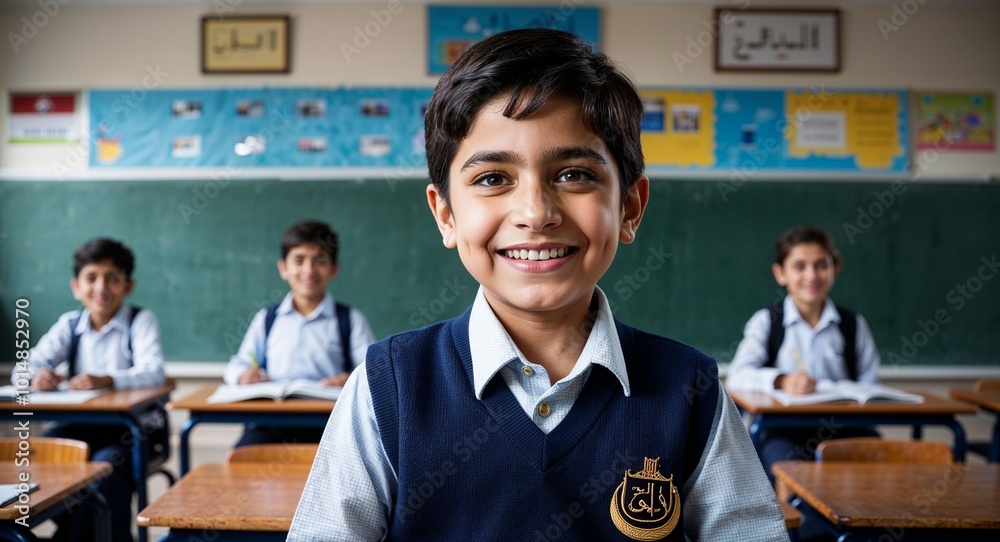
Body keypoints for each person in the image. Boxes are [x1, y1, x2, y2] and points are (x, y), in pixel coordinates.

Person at [288, 29, 788, 541]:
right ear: (445, 216)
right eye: (492, 179)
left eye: (574, 175)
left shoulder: (691, 389)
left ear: (630, 207)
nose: (536, 213)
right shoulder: (387, 387)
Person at [22, 238, 165, 542]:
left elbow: (153, 372)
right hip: (80, 427)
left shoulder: (141, 321)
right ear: (76, 286)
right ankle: (74, 533)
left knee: (106, 468)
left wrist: (108, 379)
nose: (101, 288)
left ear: (128, 286)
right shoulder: (69, 325)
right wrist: (37, 377)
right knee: (41, 454)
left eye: (113, 279)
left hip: (131, 431)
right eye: (91, 278)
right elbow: (29, 363)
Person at [727, 225, 881, 478]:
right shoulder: (767, 322)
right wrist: (782, 380)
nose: (812, 275)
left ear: (835, 269)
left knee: (886, 465)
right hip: (783, 430)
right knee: (788, 472)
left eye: (821, 265)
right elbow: (737, 377)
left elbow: (870, 383)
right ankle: (797, 518)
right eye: (800, 266)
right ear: (780, 273)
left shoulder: (852, 324)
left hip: (846, 428)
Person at [223, 219, 376, 447]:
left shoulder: (350, 320)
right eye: (299, 260)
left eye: (319, 260)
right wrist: (243, 375)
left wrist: (352, 379)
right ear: (283, 268)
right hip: (271, 423)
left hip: (331, 424)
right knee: (239, 459)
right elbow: (236, 365)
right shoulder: (267, 319)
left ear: (334, 269)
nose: (309, 270)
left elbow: (372, 373)